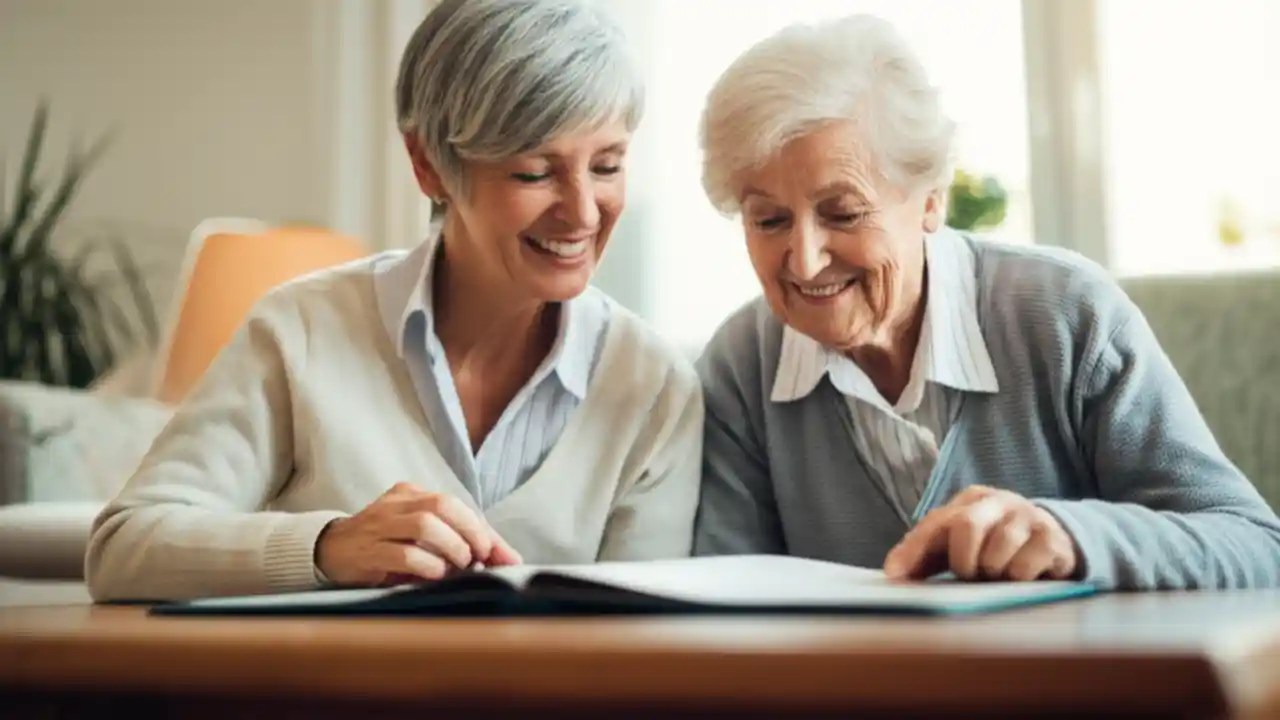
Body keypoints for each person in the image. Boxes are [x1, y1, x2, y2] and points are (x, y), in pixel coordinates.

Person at [86, 0, 702, 601]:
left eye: (607, 166)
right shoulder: (300, 331)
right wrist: (328, 547)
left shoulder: (653, 385)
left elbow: (642, 645)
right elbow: (122, 546)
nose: (584, 212)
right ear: (428, 164)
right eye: (535, 174)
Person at [692, 14, 1280, 589]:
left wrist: (1072, 535)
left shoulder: (1066, 316)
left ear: (930, 201)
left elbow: (1256, 548)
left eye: (843, 213)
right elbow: (717, 606)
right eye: (768, 220)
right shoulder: (741, 366)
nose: (806, 259)